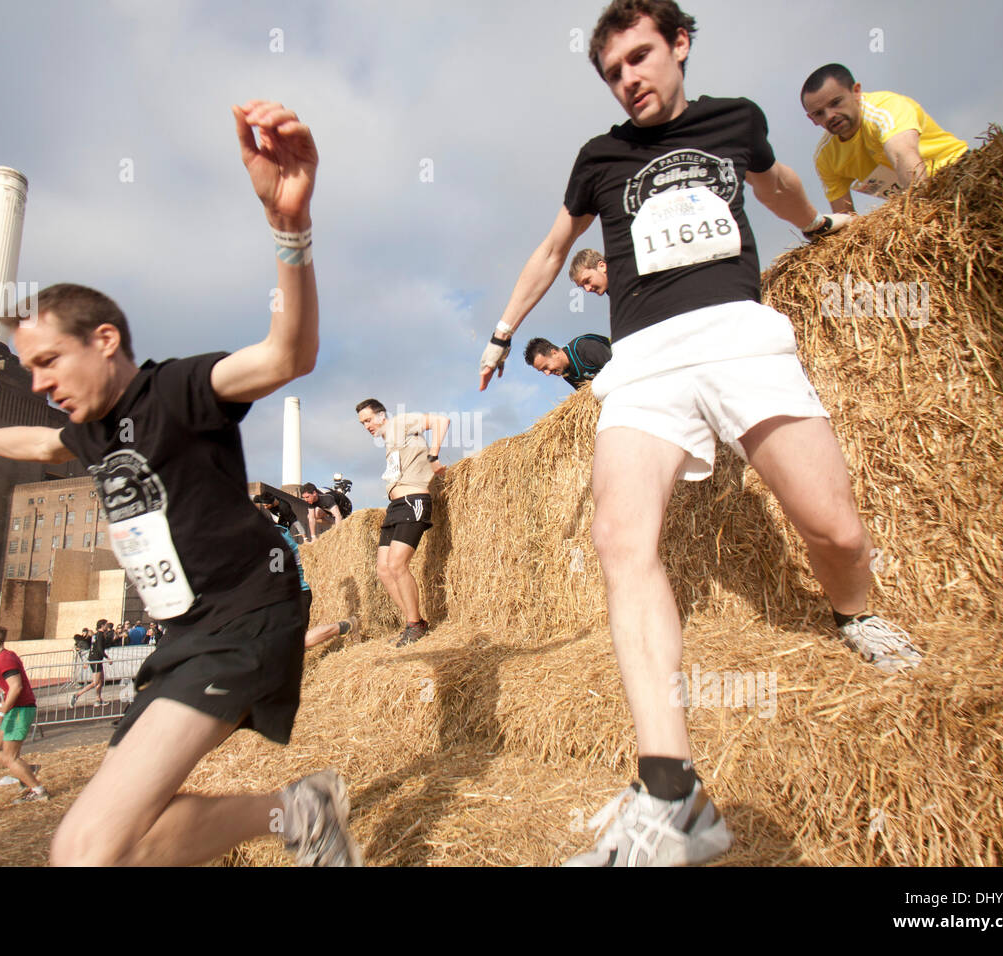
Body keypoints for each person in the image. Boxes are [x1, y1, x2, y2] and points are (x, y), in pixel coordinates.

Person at [478, 0, 922, 867]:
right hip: (642, 356)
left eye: (640, 57)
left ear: (679, 44)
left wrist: (819, 227)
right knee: (620, 538)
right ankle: (671, 793)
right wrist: (501, 331)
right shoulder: (599, 158)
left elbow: (779, 184)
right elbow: (548, 248)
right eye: (612, 72)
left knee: (833, 527)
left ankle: (855, 614)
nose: (629, 79)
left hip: (735, 330)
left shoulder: (735, 122)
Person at [0, 100, 359, 867]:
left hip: (244, 615)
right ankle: (299, 810)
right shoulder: (91, 432)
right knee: (105, 848)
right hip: (182, 636)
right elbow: (34, 441)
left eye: (47, 362)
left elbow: (287, 354)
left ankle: (301, 811)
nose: (37, 383)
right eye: (27, 368)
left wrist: (289, 229)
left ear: (105, 341)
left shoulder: (178, 390)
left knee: (88, 849)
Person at [801, 63, 967, 212]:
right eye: (819, 113)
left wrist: (923, 212)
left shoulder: (886, 109)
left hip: (960, 174)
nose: (830, 116)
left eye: (836, 102)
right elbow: (844, 215)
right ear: (812, 119)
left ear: (856, 92)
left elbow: (901, 154)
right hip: (907, 200)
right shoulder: (825, 157)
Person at [355, 398, 448, 647]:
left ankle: (415, 624)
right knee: (383, 570)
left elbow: (441, 420)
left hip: (414, 500)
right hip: (395, 506)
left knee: (397, 565)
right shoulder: (389, 440)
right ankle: (413, 621)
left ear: (381, 415)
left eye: (368, 420)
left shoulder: (401, 422)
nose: (366, 426)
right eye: (362, 423)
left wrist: (433, 455)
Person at [0, 625, 48, 803]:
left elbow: (16, 688)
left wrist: (1, 716)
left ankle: (39, 791)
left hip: (20, 711)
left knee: (10, 757)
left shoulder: (5, 659)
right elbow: (11, 690)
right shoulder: (2, 658)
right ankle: (26, 770)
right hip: (13, 710)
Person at [276, 524, 357, 648]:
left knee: (297, 642)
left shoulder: (277, 537)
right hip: (285, 595)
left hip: (294, 595)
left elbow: (276, 575)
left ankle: (344, 626)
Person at [524, 334, 613, 389]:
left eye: (545, 367)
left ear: (554, 353)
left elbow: (618, 368)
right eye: (542, 371)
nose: (547, 373)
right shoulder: (567, 374)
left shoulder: (585, 347)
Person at [71, 621, 110, 707]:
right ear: (102, 626)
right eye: (106, 625)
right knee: (95, 682)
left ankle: (98, 699)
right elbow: (99, 649)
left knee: (101, 681)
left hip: (95, 659)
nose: (107, 626)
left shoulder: (95, 635)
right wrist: (108, 658)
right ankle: (77, 695)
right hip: (96, 660)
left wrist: (88, 661)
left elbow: (93, 648)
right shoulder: (100, 635)